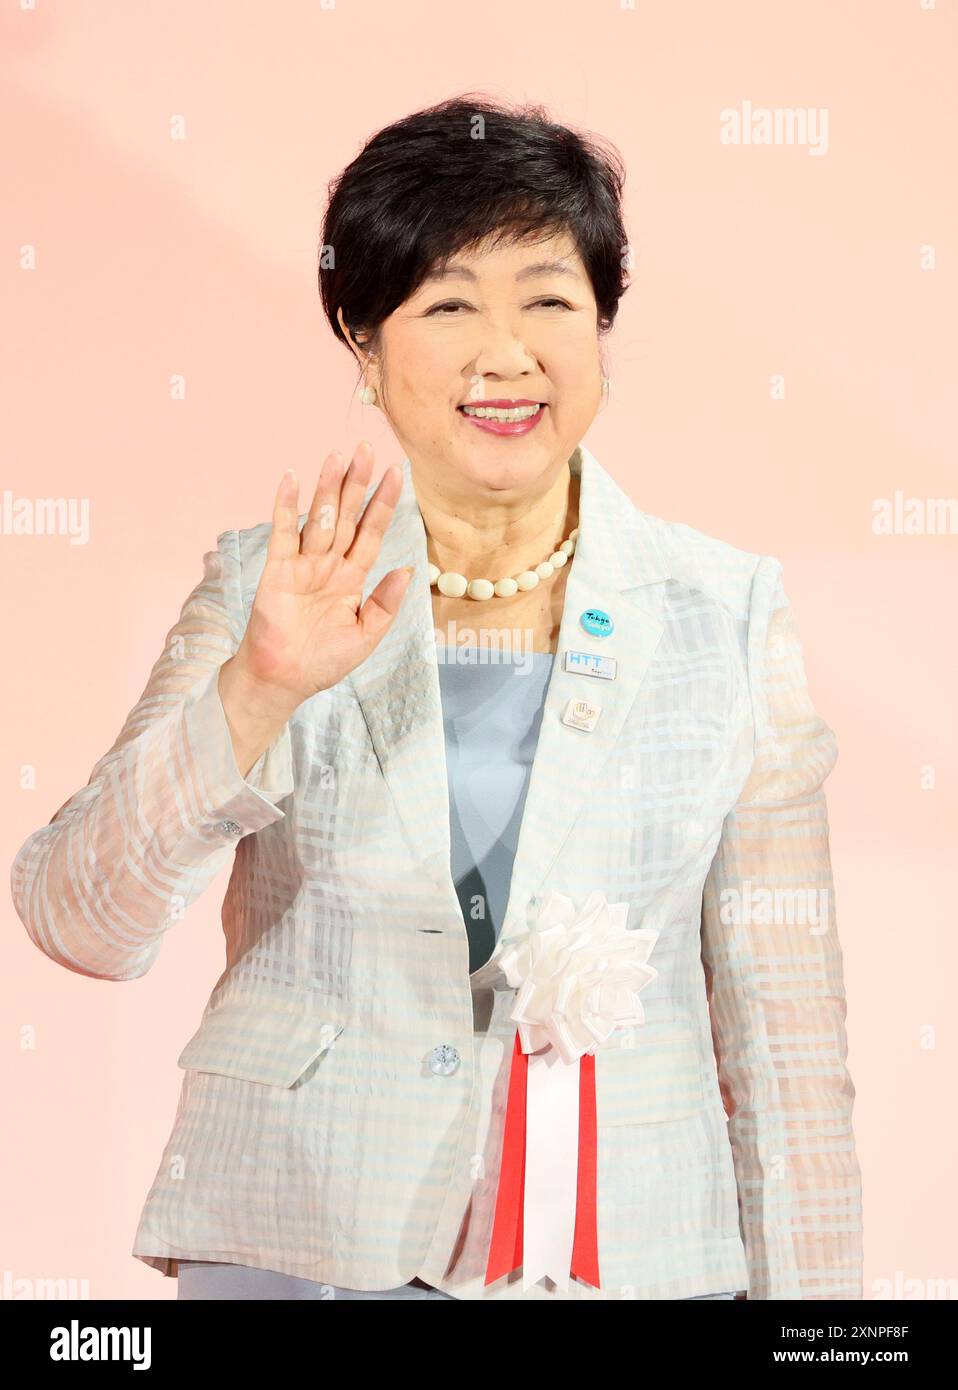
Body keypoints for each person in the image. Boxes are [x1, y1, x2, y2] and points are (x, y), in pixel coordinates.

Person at [10, 94, 862, 1301]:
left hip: (630, 1255)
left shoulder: (721, 611)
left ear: (603, 329)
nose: (505, 353)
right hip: (301, 1240)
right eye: (449, 303)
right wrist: (256, 689)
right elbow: (76, 915)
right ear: (364, 344)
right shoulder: (268, 583)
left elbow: (787, 1037)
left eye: (549, 301)